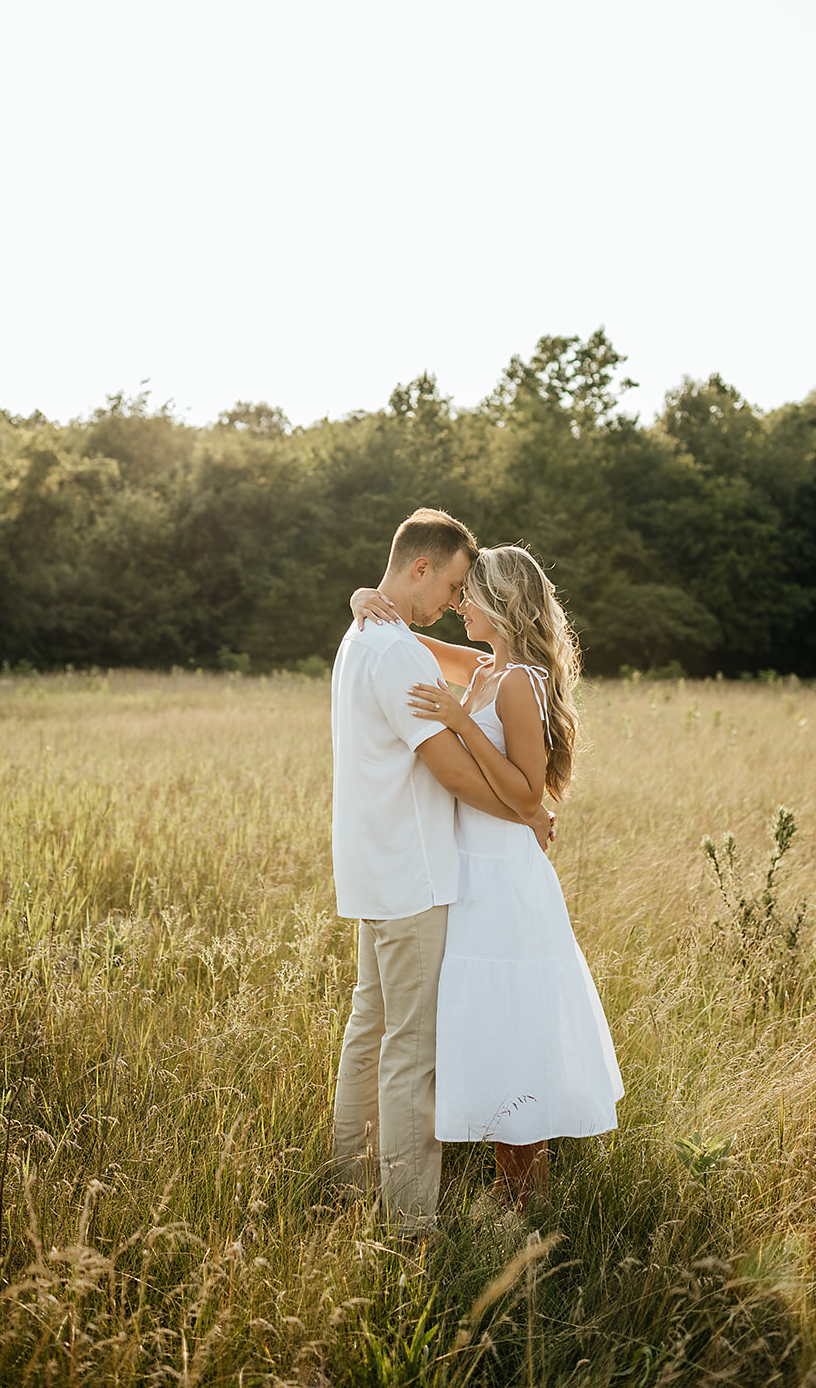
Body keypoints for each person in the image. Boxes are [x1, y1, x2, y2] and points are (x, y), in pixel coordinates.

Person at [351, 544, 623, 1211]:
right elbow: (406, 636)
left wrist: (456, 725)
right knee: (492, 1025)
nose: (457, 604)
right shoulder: (487, 667)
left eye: (467, 594)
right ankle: (510, 1193)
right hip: (472, 870)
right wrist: (360, 602)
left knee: (513, 1024)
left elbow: (529, 796)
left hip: (504, 875)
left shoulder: (519, 682)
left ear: (498, 602)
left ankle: (521, 1199)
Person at [331, 510, 554, 1233]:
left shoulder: (365, 636)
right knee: (410, 1050)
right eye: (454, 583)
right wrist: (525, 812)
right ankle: (409, 1223)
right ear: (420, 567)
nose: (457, 602)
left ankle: (347, 1184)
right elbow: (455, 777)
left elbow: (479, 671)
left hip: (374, 867)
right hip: (412, 874)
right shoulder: (394, 652)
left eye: (470, 592)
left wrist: (365, 597)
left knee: (370, 1026)